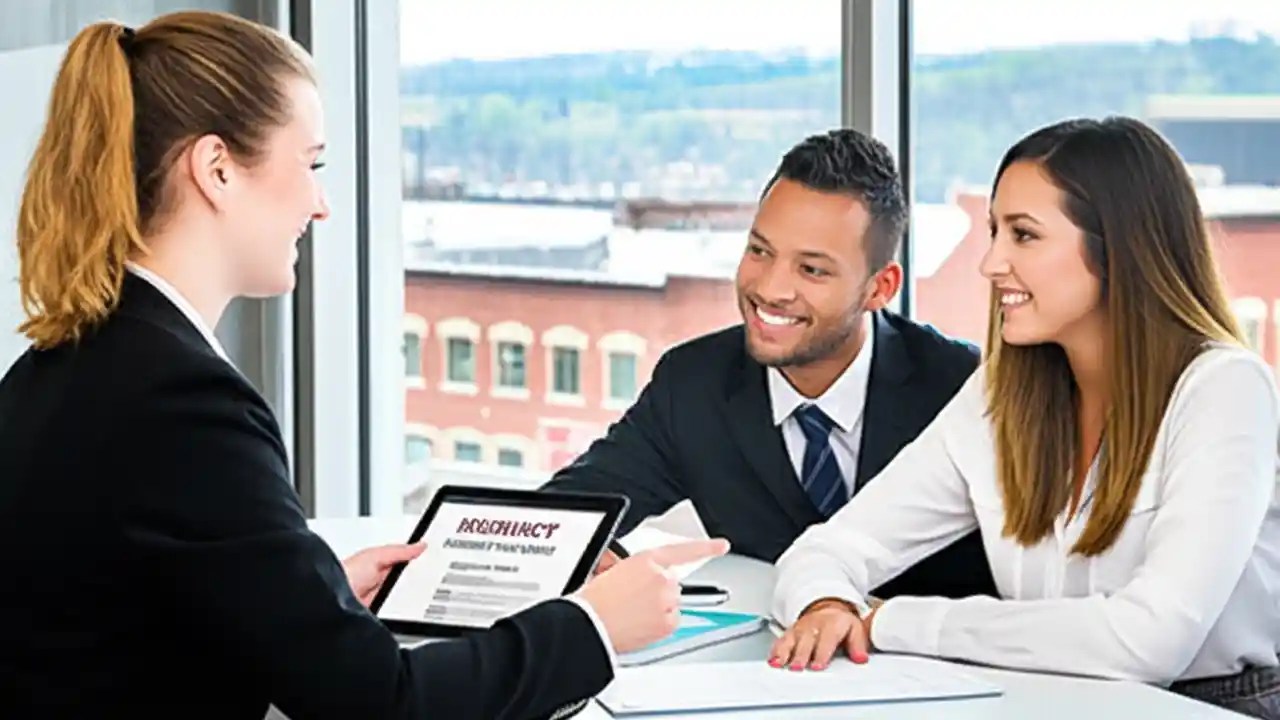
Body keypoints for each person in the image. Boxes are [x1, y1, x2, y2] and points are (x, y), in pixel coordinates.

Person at [0, 13, 728, 719]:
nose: (320, 205)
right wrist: (593, 626)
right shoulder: (184, 400)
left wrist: (305, 598)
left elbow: (113, 619)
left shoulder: (59, 363)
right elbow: (382, 702)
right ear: (217, 169)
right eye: (310, 165)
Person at [768, 117, 1280, 718]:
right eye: (993, 231)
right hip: (1047, 697)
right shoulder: (1002, 392)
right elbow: (827, 550)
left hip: (1211, 708)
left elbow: (1150, 641)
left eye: (1024, 236)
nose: (990, 263)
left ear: (1118, 249)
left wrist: (893, 621)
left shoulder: (1223, 387)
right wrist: (826, 604)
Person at [544, 129, 995, 601]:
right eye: (760, 251)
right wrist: (584, 552)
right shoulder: (694, 383)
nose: (771, 289)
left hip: (928, 664)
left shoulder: (960, 387)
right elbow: (560, 515)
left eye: (812, 269)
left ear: (879, 288)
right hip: (759, 661)